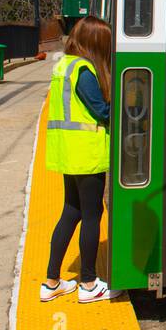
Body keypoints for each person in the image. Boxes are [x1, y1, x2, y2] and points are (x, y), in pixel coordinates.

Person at [41, 17, 117, 304]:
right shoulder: (84, 71)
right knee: (91, 215)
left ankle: (51, 281)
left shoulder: (64, 66)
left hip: (67, 152)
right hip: (86, 154)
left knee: (71, 212)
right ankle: (88, 283)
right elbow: (102, 111)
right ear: (96, 44)